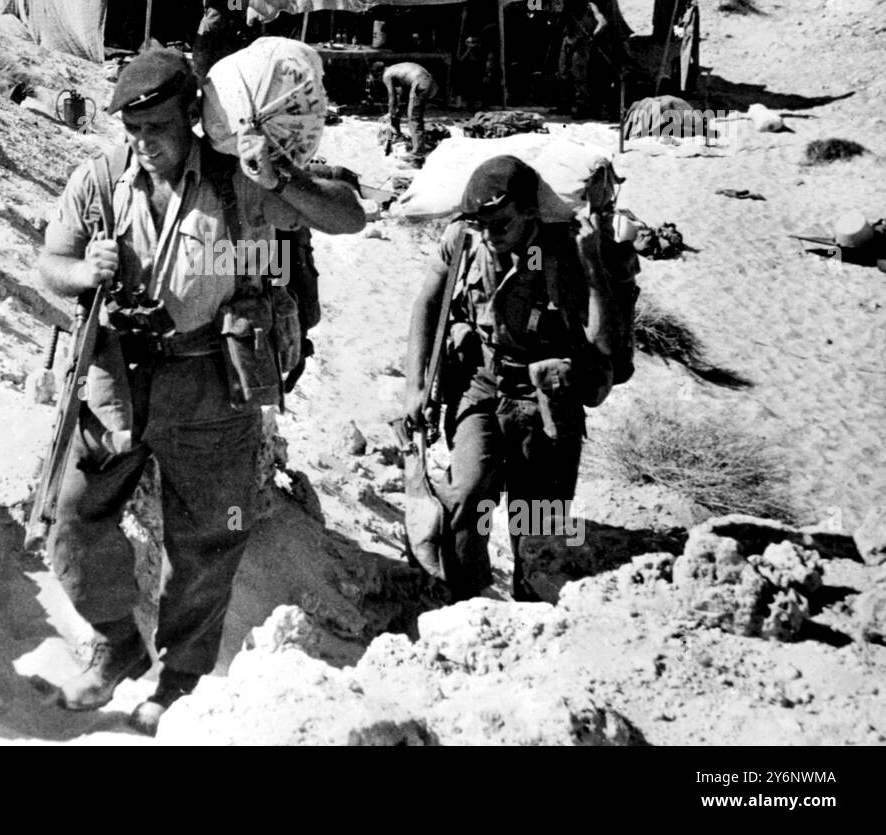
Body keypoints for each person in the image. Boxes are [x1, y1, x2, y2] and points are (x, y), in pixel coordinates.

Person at [38, 47, 364, 735]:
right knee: (70, 520)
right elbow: (50, 264)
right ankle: (120, 646)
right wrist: (81, 273)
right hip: (117, 378)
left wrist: (278, 175)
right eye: (133, 131)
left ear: (191, 116)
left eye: (157, 129)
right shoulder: (100, 180)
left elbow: (347, 216)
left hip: (212, 382)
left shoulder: (237, 178)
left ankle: (180, 679)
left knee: (211, 539)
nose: (144, 145)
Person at [402, 156, 616, 601]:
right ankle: (464, 602)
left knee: (537, 521)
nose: (488, 235)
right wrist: (415, 386)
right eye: (480, 225)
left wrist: (594, 267)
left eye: (500, 224)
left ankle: (531, 612)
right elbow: (427, 304)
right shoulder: (462, 239)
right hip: (478, 382)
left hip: (542, 397)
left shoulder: (563, 250)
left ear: (530, 212)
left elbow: (601, 344)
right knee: (467, 494)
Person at [556, 0, 609, 116]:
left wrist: (593, 35)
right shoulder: (569, 6)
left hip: (581, 43)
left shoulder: (590, 6)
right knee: (563, 72)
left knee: (578, 74)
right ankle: (565, 104)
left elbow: (602, 21)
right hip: (568, 41)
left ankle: (583, 106)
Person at [369, 61, 439, 158]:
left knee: (414, 117)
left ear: (379, 73)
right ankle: (398, 136)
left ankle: (418, 152)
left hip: (421, 82)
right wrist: (395, 112)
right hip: (431, 83)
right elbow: (402, 97)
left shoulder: (386, 74)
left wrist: (390, 113)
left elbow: (391, 96)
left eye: (378, 79)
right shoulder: (396, 69)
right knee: (406, 111)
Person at [193, 0, 241, 81]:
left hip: (213, 17)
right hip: (226, 21)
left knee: (201, 51)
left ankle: (200, 81)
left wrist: (205, 10)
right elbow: (236, 3)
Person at [454, 33, 499, 113]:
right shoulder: (463, 49)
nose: (469, 44)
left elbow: (481, 61)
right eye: (467, 42)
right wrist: (468, 49)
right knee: (469, 89)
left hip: (479, 71)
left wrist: (487, 73)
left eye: (471, 42)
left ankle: (483, 105)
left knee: (479, 88)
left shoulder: (481, 50)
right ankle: (470, 106)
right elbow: (461, 59)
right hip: (468, 72)